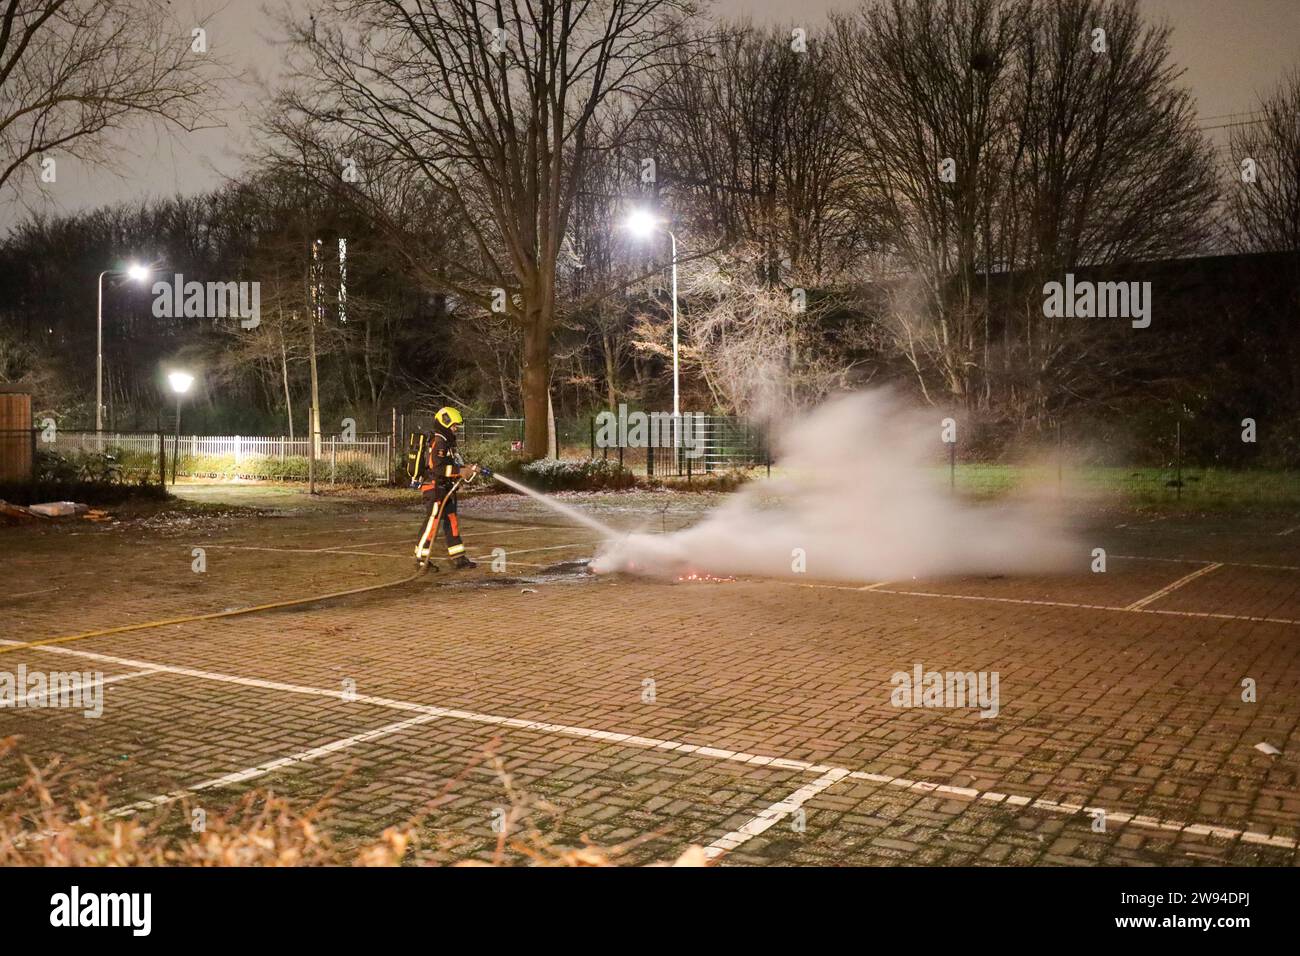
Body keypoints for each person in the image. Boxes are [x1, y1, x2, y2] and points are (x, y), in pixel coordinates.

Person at [413, 406, 480, 569]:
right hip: (434, 488)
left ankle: (458, 557)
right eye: (454, 426)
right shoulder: (439, 441)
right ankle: (422, 558)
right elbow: (437, 468)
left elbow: (451, 465)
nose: (456, 429)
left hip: (445, 488)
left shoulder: (446, 441)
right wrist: (459, 471)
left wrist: (466, 468)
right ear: (446, 422)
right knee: (432, 523)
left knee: (451, 521)